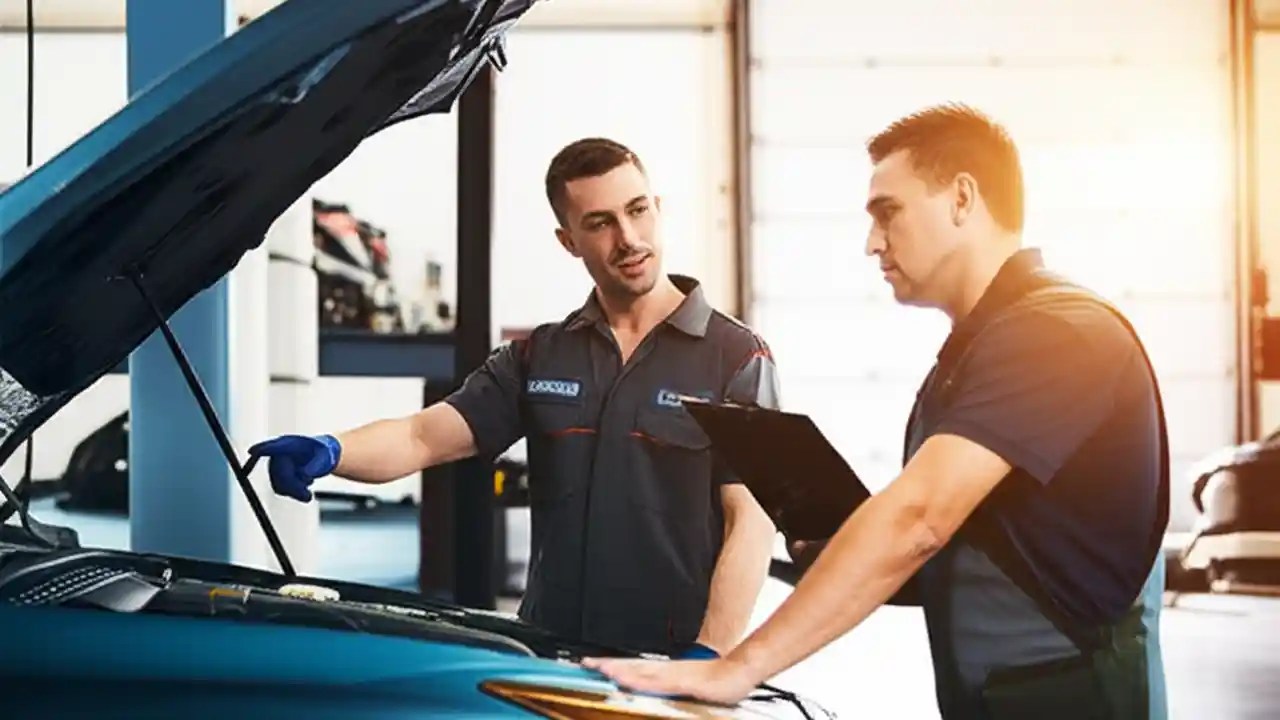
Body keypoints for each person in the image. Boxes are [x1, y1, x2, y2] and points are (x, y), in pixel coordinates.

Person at [585, 104, 1170, 719]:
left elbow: (920, 520)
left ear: (962, 199)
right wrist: (836, 546)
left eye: (887, 213)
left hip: (1078, 702)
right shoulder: (975, 355)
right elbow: (986, 558)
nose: (872, 243)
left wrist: (739, 667)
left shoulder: (1059, 333)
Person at [250, 137, 780, 659]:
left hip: (669, 663)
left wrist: (711, 655)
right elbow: (421, 436)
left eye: (638, 211)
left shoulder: (735, 357)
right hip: (549, 658)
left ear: (658, 209)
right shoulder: (542, 356)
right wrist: (332, 450)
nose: (628, 238)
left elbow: (751, 521)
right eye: (599, 223)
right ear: (568, 240)